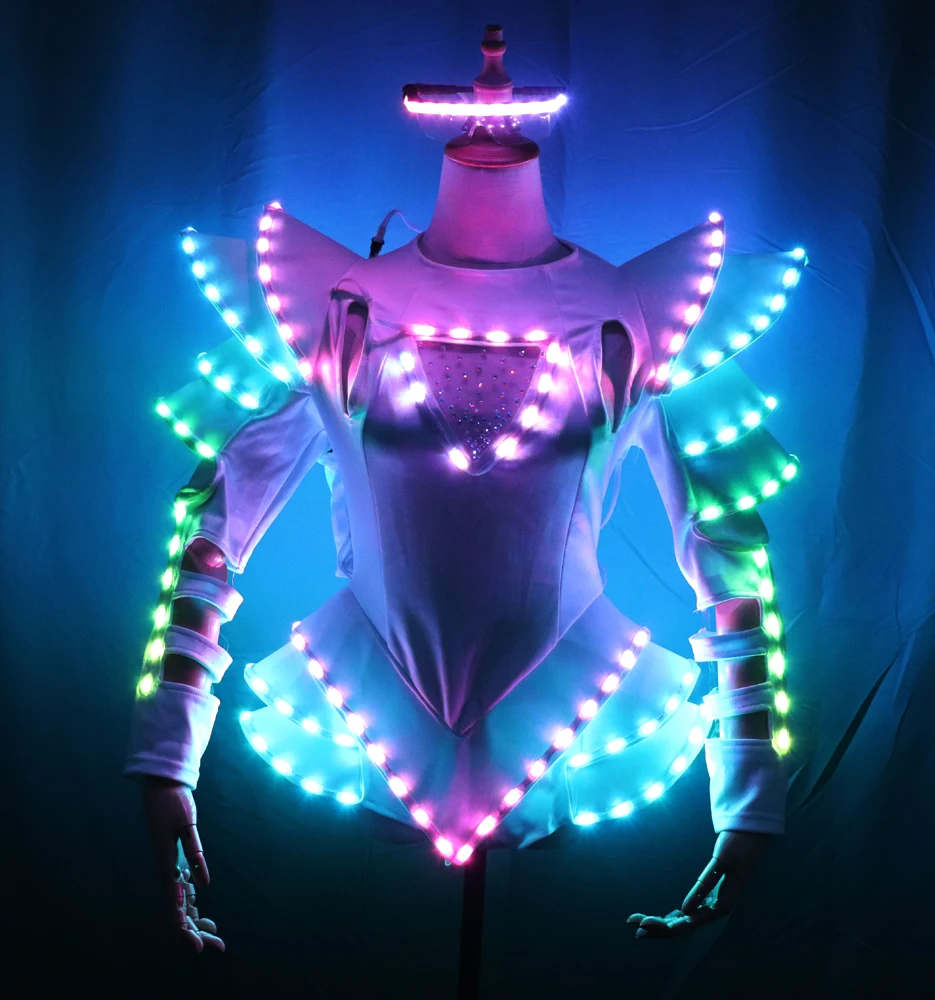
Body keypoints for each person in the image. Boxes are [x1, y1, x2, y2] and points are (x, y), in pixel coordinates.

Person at [126, 26, 803, 952]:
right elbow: (212, 539)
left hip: (574, 707)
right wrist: (167, 757)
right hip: (367, 704)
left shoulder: (653, 311)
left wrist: (749, 799)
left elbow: (729, 561)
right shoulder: (318, 304)